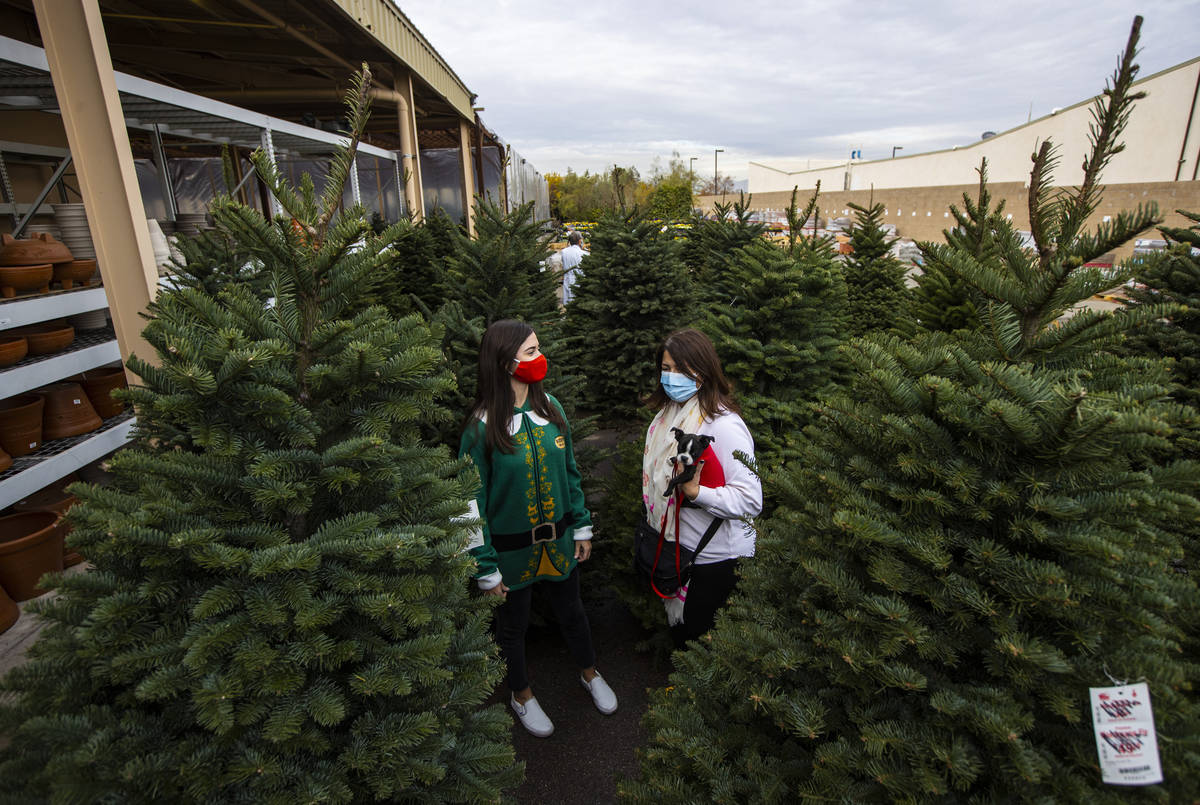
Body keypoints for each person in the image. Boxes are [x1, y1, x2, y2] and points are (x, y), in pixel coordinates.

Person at [459, 319, 617, 737]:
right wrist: (485, 567)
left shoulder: (553, 410)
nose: (539, 358)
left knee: (573, 612)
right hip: (509, 554)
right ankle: (521, 694)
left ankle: (589, 673)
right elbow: (467, 503)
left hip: (561, 542)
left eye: (538, 348)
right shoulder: (480, 427)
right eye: (530, 352)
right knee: (513, 627)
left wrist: (581, 526)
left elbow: (569, 474)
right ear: (504, 361)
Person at [641, 328, 762, 649]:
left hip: (712, 559)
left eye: (681, 369)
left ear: (704, 370)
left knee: (703, 640)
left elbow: (751, 500)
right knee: (685, 635)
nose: (671, 377)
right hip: (677, 549)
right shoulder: (665, 420)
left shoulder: (723, 425)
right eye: (666, 369)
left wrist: (697, 494)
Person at [560, 231, 588, 304]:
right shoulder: (584, 254)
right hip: (579, 280)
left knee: (568, 302)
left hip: (567, 279)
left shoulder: (564, 252)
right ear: (579, 241)